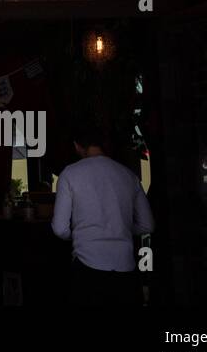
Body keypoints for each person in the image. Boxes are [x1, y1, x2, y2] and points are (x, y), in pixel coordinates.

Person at [51, 124, 154, 305]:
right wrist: (119, 228)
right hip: (126, 268)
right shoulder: (128, 175)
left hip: (88, 267)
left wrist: (81, 234)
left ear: (77, 146)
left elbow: (59, 229)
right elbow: (148, 225)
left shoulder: (70, 174)